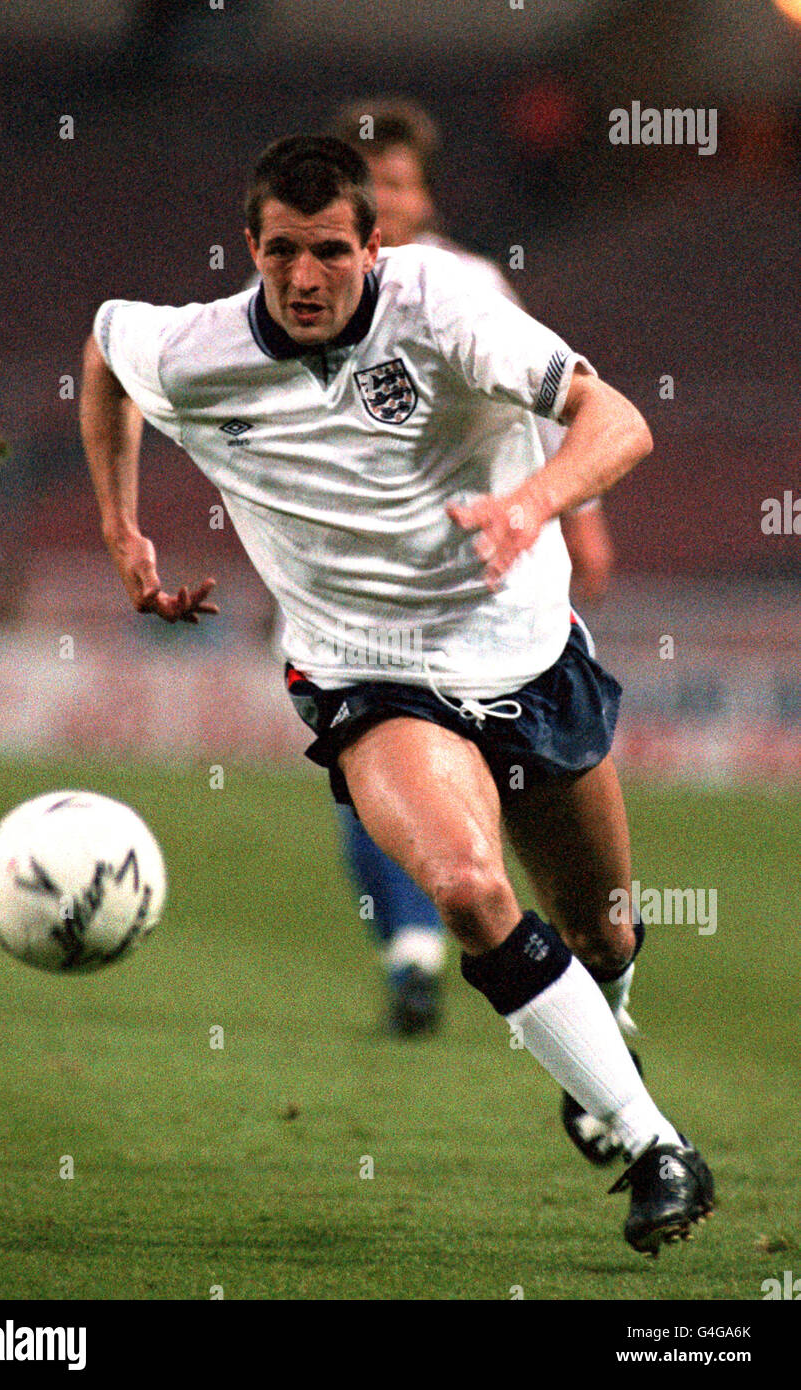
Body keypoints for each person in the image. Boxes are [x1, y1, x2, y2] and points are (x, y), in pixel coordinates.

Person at [79, 135, 715, 1254]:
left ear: (376, 245)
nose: (306, 277)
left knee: (603, 932)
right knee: (468, 886)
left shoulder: (450, 309)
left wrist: (528, 506)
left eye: (331, 250)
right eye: (282, 253)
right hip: (364, 672)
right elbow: (102, 347)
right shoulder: (193, 349)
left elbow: (619, 421)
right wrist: (120, 525)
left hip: (523, 656)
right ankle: (652, 1141)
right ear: (252, 248)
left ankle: (600, 1029)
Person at [329, 98, 616, 1039]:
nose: (388, 200)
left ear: (424, 195)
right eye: (369, 183)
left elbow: (555, 404)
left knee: (537, 828)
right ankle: (413, 951)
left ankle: (594, 976)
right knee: (369, 746)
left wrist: (578, 516)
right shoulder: (310, 292)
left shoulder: (467, 283)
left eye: (402, 183)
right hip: (363, 592)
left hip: (483, 579)